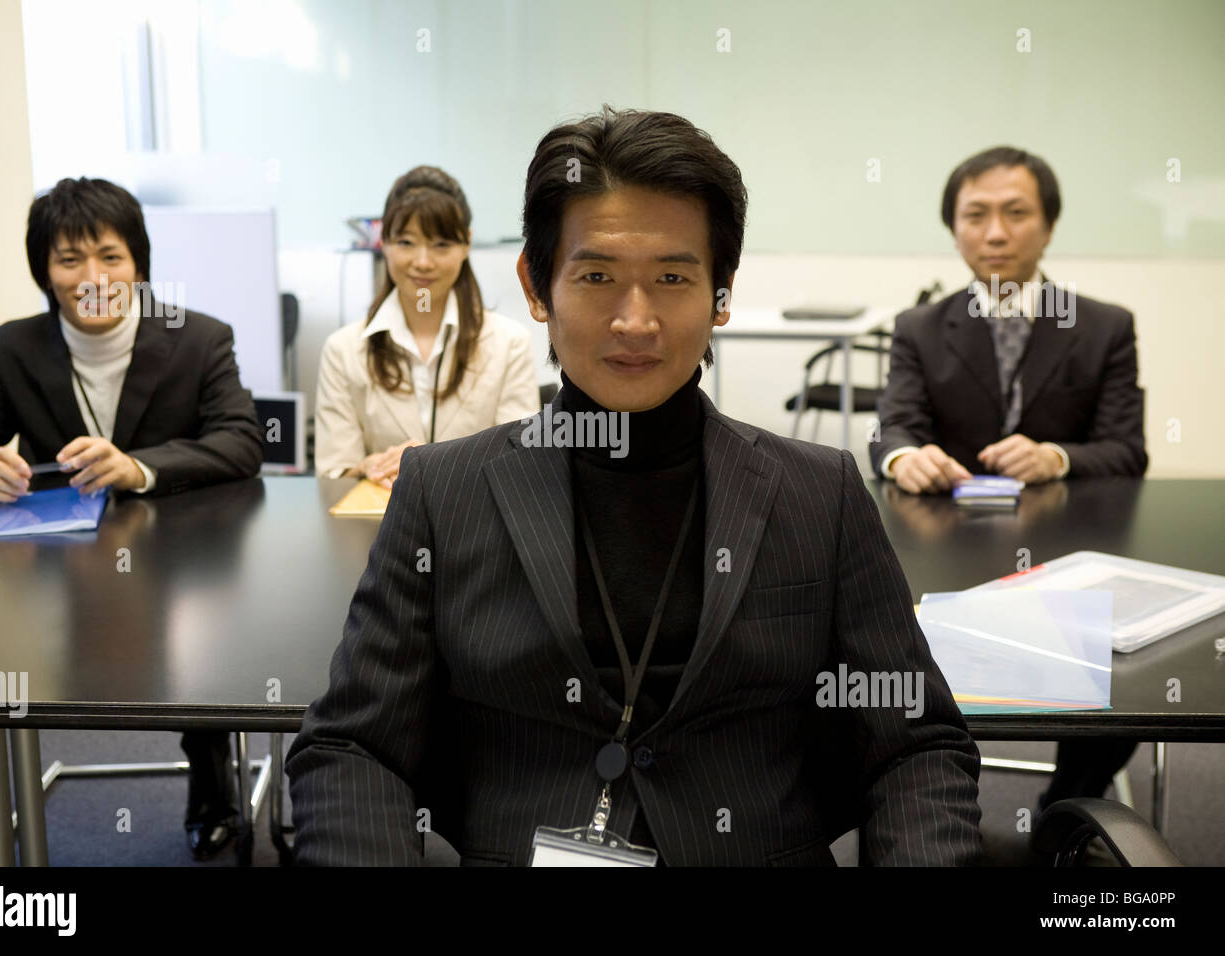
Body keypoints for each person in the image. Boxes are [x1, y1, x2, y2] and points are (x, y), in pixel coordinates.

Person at [286, 107, 982, 866]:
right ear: (535, 284)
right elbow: (352, 747)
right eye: (597, 277)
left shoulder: (818, 492)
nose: (636, 320)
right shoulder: (443, 493)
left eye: (674, 278)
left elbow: (915, 742)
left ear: (722, 292)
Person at [0, 177, 263, 862]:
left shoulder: (197, 338)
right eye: (69, 259)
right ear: (44, 273)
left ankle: (214, 786)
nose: (93, 277)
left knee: (201, 649)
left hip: (178, 560)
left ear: (137, 261)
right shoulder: (15, 347)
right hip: (58, 565)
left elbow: (241, 441)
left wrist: (138, 467)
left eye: (110, 256)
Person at [869, 146, 1147, 820]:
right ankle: (925, 799)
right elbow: (893, 430)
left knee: (1133, 677)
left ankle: (1069, 805)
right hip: (943, 556)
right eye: (976, 215)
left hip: (1068, 556)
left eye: (1016, 213)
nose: (995, 232)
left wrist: (1057, 456)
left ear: (1048, 226)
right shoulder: (920, 328)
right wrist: (905, 460)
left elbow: (1126, 451)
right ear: (954, 227)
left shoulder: (1105, 326)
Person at [313, 166, 538, 487]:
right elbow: (333, 472)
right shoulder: (344, 349)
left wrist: (430, 461)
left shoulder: (509, 343)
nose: (422, 262)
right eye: (406, 242)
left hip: (475, 526)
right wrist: (369, 466)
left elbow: (521, 461)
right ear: (384, 243)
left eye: (441, 245)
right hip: (378, 527)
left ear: (466, 245)